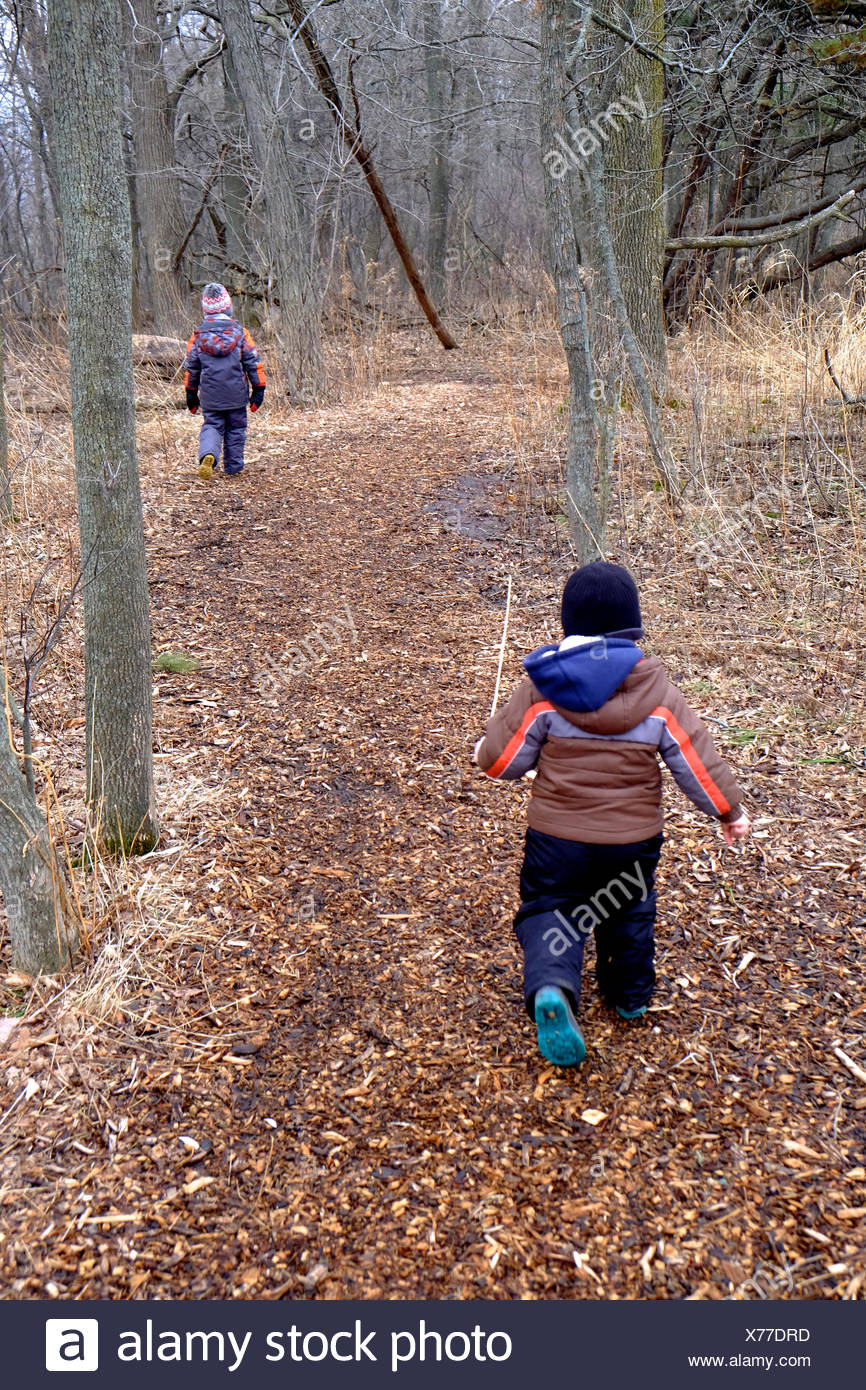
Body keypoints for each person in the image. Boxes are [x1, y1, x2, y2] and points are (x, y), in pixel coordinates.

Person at [472, 561, 750, 1067]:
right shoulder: (658, 694)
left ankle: (553, 986)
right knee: (628, 907)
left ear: (567, 625)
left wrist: (483, 751)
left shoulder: (543, 690)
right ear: (634, 628)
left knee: (551, 905)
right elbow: (696, 761)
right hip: (631, 842)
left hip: (558, 839)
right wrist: (728, 812)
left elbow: (501, 763)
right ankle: (629, 996)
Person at [183, 283, 266, 479]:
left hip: (211, 396)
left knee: (212, 425)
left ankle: (208, 454)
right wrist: (259, 388)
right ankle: (234, 468)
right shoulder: (240, 333)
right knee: (236, 429)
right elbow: (253, 363)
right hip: (236, 394)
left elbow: (191, 369)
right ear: (228, 307)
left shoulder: (197, 338)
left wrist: (191, 394)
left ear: (205, 310)